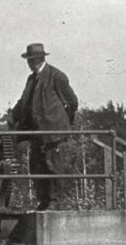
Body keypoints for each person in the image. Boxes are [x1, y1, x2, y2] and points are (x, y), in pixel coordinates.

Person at [8, 42, 79, 210]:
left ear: (38, 59)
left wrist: (61, 124)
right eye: (28, 60)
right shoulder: (31, 79)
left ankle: (54, 202)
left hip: (54, 133)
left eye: (31, 59)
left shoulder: (56, 76)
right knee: (38, 167)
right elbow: (23, 103)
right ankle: (44, 202)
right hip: (37, 134)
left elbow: (72, 102)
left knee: (54, 166)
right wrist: (10, 119)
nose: (29, 63)